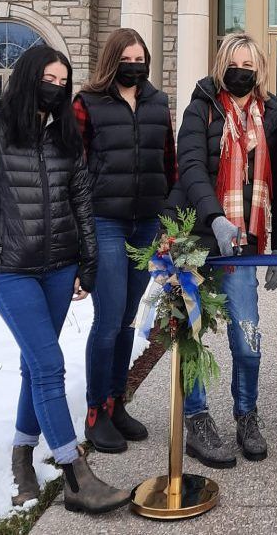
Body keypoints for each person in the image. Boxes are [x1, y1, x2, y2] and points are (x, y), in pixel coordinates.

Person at [0, 45, 129, 514]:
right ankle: (75, 473)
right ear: (27, 77)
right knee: (49, 364)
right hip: (11, 272)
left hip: (60, 269)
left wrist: (87, 262)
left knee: (32, 365)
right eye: (49, 78)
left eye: (63, 83)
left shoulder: (64, 135)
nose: (56, 88)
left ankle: (22, 453)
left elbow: (81, 198)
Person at [175, 32, 277, 468]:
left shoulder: (275, 117)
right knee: (193, 337)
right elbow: (189, 167)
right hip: (196, 239)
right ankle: (197, 418)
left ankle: (246, 414)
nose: (241, 71)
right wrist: (214, 219)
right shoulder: (200, 108)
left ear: (259, 69)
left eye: (249, 64)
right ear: (221, 65)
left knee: (248, 340)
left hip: (244, 246)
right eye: (234, 62)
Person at [73, 27, 177, 454]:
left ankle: (117, 401)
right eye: (128, 58)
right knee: (109, 318)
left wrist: (168, 216)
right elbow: (75, 169)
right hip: (106, 222)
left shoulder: (158, 102)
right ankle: (96, 410)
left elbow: (167, 161)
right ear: (113, 61)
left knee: (130, 320)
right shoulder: (87, 104)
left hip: (146, 223)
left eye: (142, 58)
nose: (136, 65)